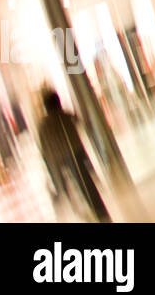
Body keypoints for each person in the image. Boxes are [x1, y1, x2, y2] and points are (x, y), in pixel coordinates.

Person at [37, 88, 110, 222]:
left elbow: (44, 151)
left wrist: (51, 172)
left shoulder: (43, 125)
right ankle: (101, 215)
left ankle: (83, 215)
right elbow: (79, 129)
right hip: (75, 155)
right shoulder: (67, 116)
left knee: (69, 193)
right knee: (87, 187)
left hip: (57, 161)